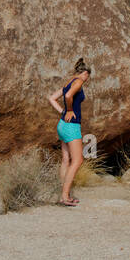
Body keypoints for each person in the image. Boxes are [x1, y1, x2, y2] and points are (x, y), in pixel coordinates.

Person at [48, 58, 90, 207]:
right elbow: (67, 97)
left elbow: (52, 98)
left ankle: (63, 195)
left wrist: (63, 111)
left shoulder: (69, 81)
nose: (87, 79)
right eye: (88, 76)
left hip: (62, 124)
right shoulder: (79, 81)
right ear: (85, 73)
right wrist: (70, 110)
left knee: (66, 160)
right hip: (71, 126)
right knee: (78, 160)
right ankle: (65, 196)